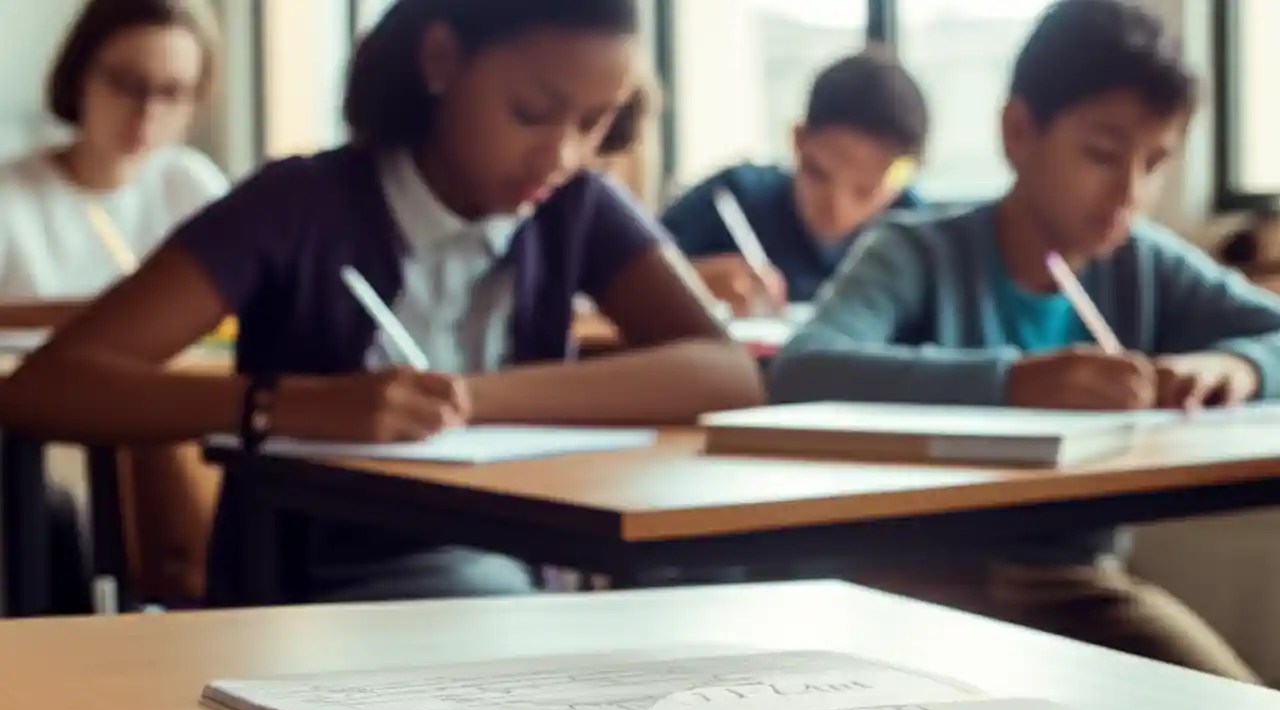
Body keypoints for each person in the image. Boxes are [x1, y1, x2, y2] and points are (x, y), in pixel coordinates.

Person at [0, 0, 763, 606]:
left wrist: (467, 399)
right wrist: (288, 405)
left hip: (525, 577)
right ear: (441, 61)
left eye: (595, 123)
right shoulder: (295, 204)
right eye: (532, 112)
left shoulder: (578, 205)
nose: (561, 155)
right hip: (322, 601)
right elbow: (45, 388)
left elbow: (724, 374)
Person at [770, 0, 1269, 682]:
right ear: (1018, 131)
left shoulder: (1145, 263)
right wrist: (1011, 383)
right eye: (1102, 153)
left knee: (1234, 701)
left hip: (1073, 586)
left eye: (1155, 163)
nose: (1130, 190)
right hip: (899, 585)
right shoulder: (916, 253)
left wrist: (1234, 363)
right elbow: (803, 372)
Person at [0, 0, 227, 319]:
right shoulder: (9, 200)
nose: (148, 112)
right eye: (127, 84)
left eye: (171, 92)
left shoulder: (192, 185)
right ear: (80, 74)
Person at [662, 49, 929, 315]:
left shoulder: (920, 237)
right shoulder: (731, 198)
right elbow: (625, 280)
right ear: (798, 140)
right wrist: (689, 281)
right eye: (818, 175)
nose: (837, 208)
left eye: (865, 191)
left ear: (902, 178)